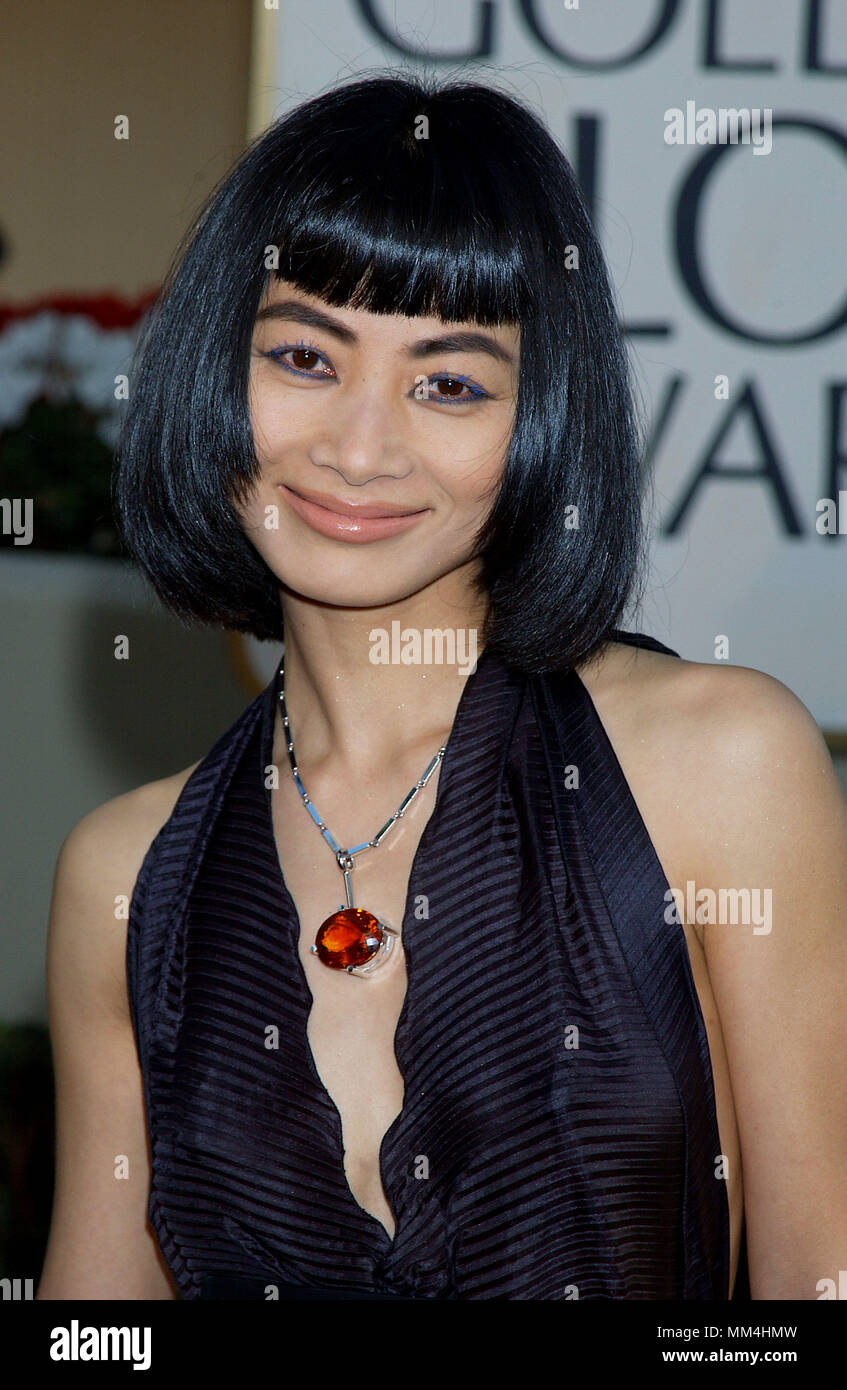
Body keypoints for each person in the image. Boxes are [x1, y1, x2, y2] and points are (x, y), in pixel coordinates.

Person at [37, 72, 847, 1302]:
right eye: (306, 355)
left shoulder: (718, 766)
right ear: (214, 367)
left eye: (449, 382)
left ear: (539, 425)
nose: (359, 446)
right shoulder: (127, 874)